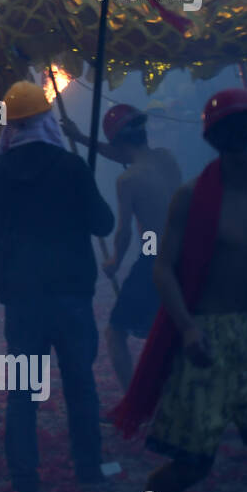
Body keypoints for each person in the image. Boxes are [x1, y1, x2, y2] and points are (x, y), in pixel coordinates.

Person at [112, 89, 247, 492]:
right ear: (227, 139)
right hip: (206, 341)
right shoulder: (192, 197)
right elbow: (164, 268)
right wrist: (188, 327)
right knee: (192, 465)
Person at [0, 81, 114, 492]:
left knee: (23, 393)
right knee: (80, 384)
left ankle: (25, 478)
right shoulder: (71, 167)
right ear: (46, 120)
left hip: (22, 299)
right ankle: (88, 469)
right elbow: (103, 223)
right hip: (71, 294)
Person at [63, 105, 183, 390]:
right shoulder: (165, 158)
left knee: (115, 333)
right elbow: (121, 154)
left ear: (120, 142)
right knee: (177, 327)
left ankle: (135, 402)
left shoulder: (127, 180)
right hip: (186, 253)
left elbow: (124, 232)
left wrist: (115, 261)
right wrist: (80, 138)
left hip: (155, 261)